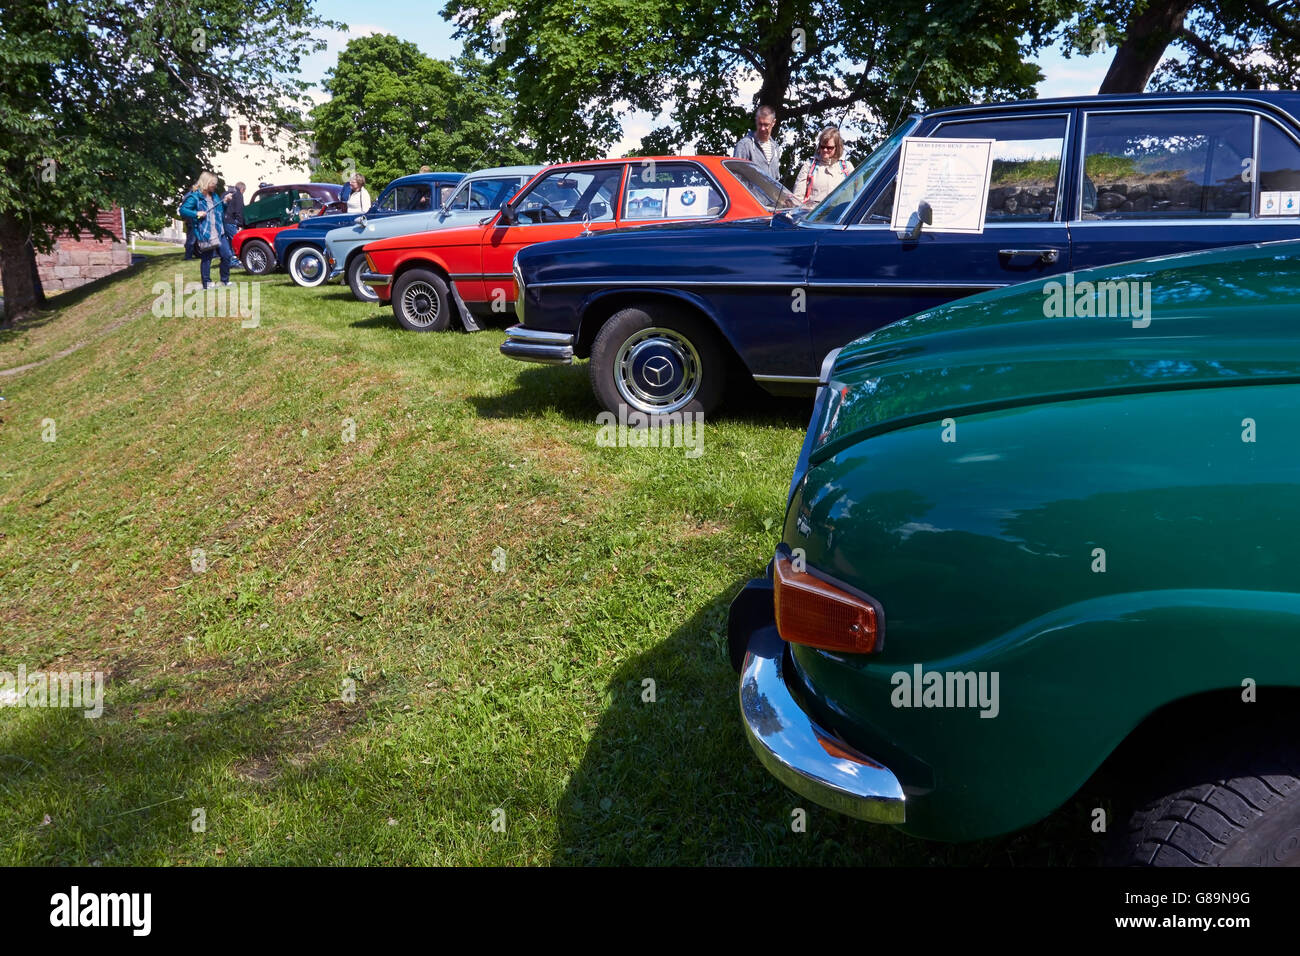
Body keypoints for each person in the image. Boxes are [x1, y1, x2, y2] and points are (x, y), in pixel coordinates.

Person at [178, 171, 233, 288]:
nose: (215, 186)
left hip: (219, 231)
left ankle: (225, 280)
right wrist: (196, 213)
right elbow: (183, 210)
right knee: (207, 258)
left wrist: (225, 202)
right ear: (206, 183)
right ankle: (207, 283)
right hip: (206, 233)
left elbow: (220, 209)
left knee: (227, 255)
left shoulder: (215, 196)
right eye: (213, 183)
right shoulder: (195, 197)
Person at [793, 127, 855, 206]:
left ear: (837, 147)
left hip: (840, 216)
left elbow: (858, 194)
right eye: (822, 147)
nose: (825, 150)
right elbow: (797, 198)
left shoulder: (847, 167)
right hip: (812, 215)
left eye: (829, 148)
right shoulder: (809, 165)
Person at [733, 105, 782, 182]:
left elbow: (776, 178)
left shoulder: (775, 148)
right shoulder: (745, 145)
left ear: (773, 122)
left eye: (766, 125)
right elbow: (736, 178)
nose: (762, 128)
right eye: (760, 124)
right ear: (756, 121)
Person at [220, 181, 246, 270]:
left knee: (227, 242)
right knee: (235, 241)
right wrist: (240, 224)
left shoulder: (225, 193)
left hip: (223, 220)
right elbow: (239, 210)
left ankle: (227, 260)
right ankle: (234, 262)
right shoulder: (238, 194)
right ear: (242, 189)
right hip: (231, 220)